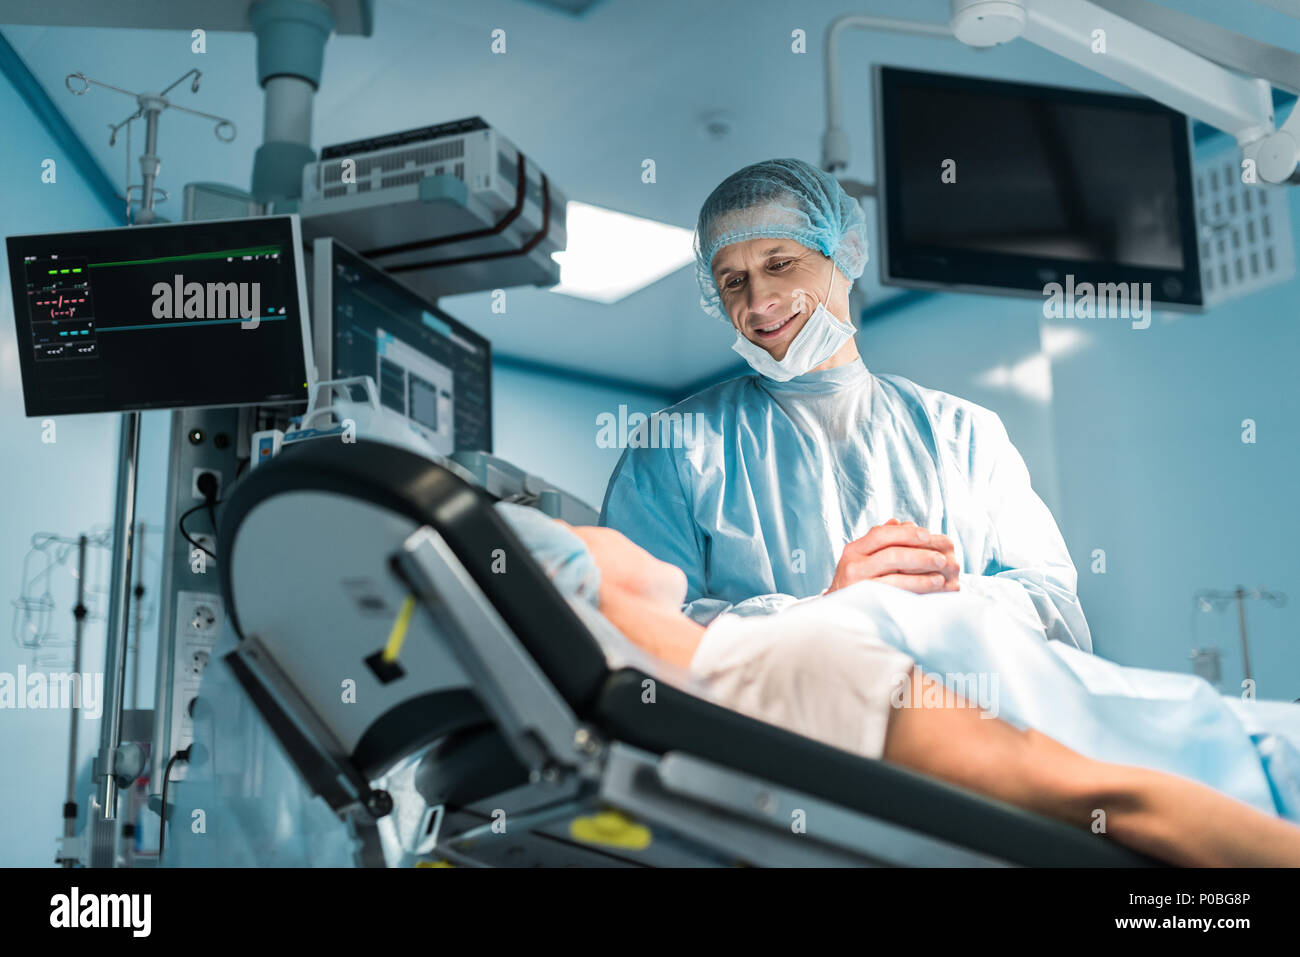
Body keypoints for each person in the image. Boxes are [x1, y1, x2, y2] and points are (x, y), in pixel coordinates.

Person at [499, 502, 1300, 867]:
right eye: (566, 528)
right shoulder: (779, 664)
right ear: (574, 583)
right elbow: (1129, 800)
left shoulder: (774, 654)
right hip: (1259, 786)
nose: (593, 524)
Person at [600, 157, 1091, 650]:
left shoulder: (964, 434)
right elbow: (639, 629)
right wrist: (830, 613)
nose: (757, 302)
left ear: (847, 252)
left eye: (779, 264)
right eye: (733, 281)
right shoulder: (672, 449)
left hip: (964, 721)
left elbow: (1054, 614)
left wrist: (917, 598)